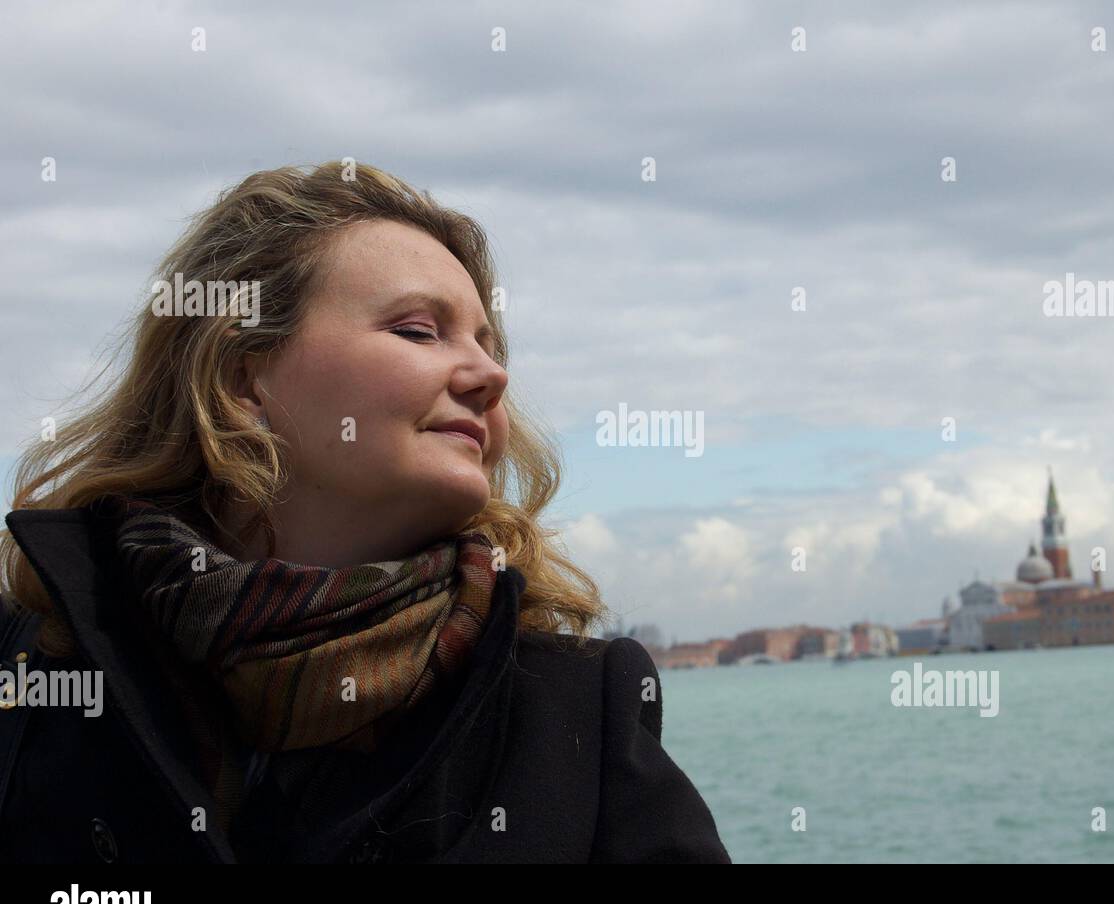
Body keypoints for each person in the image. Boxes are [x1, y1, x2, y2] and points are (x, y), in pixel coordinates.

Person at [0, 161, 730, 864]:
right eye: (418, 331)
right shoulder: (30, 669)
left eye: (487, 342)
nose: (491, 374)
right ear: (241, 376)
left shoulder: (574, 711)